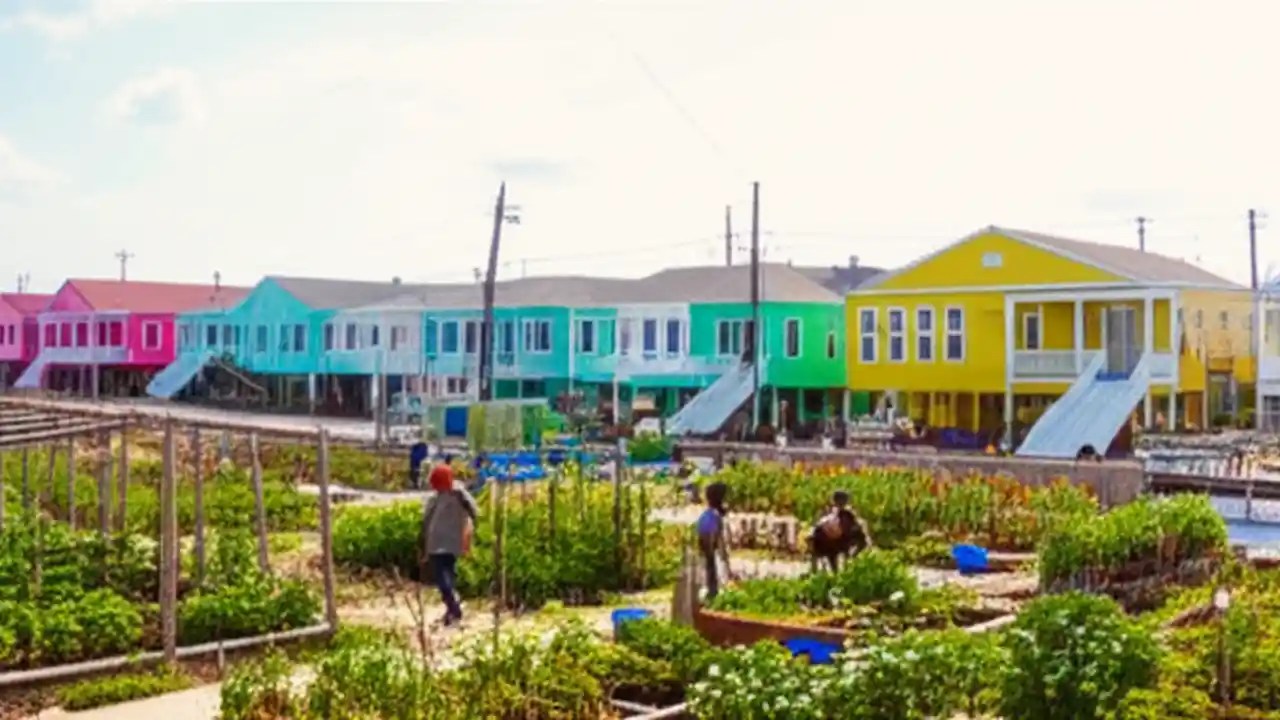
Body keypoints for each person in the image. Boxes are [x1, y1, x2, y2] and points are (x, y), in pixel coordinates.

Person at [420, 463, 479, 627]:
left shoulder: (457, 493)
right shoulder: (439, 497)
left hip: (446, 541)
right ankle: (452, 609)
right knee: (446, 577)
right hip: (442, 542)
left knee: (443, 578)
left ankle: (454, 608)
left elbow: (473, 511)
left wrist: (471, 528)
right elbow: (426, 522)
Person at [809, 490, 871, 573]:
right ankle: (849, 562)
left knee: (831, 554)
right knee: (860, 540)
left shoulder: (826, 511)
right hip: (840, 542)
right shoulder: (848, 514)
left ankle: (831, 572)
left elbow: (816, 527)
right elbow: (856, 527)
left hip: (824, 543)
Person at [696, 481, 733, 600]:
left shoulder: (705, 516)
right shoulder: (714, 517)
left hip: (707, 558)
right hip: (713, 560)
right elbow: (719, 546)